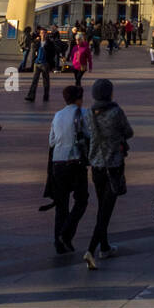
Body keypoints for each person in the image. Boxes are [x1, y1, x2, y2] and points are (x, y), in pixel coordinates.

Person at [82, 79, 134, 270]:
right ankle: (90, 250)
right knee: (105, 212)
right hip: (113, 166)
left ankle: (104, 247)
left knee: (102, 207)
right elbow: (129, 132)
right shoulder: (116, 112)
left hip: (96, 166)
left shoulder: (89, 113)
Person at [47, 83, 90, 253]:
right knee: (81, 200)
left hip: (58, 163)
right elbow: (90, 134)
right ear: (79, 98)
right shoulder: (83, 113)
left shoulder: (57, 115)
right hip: (76, 161)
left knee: (61, 204)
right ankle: (66, 233)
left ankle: (58, 241)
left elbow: (51, 141)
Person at [25, 28, 55, 102]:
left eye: (44, 33)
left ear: (47, 34)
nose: (43, 34)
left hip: (45, 63)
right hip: (37, 63)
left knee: (46, 81)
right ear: (40, 34)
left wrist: (49, 63)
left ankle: (46, 96)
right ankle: (31, 96)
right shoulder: (37, 42)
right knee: (34, 80)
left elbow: (53, 53)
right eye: (42, 33)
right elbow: (33, 50)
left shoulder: (50, 43)